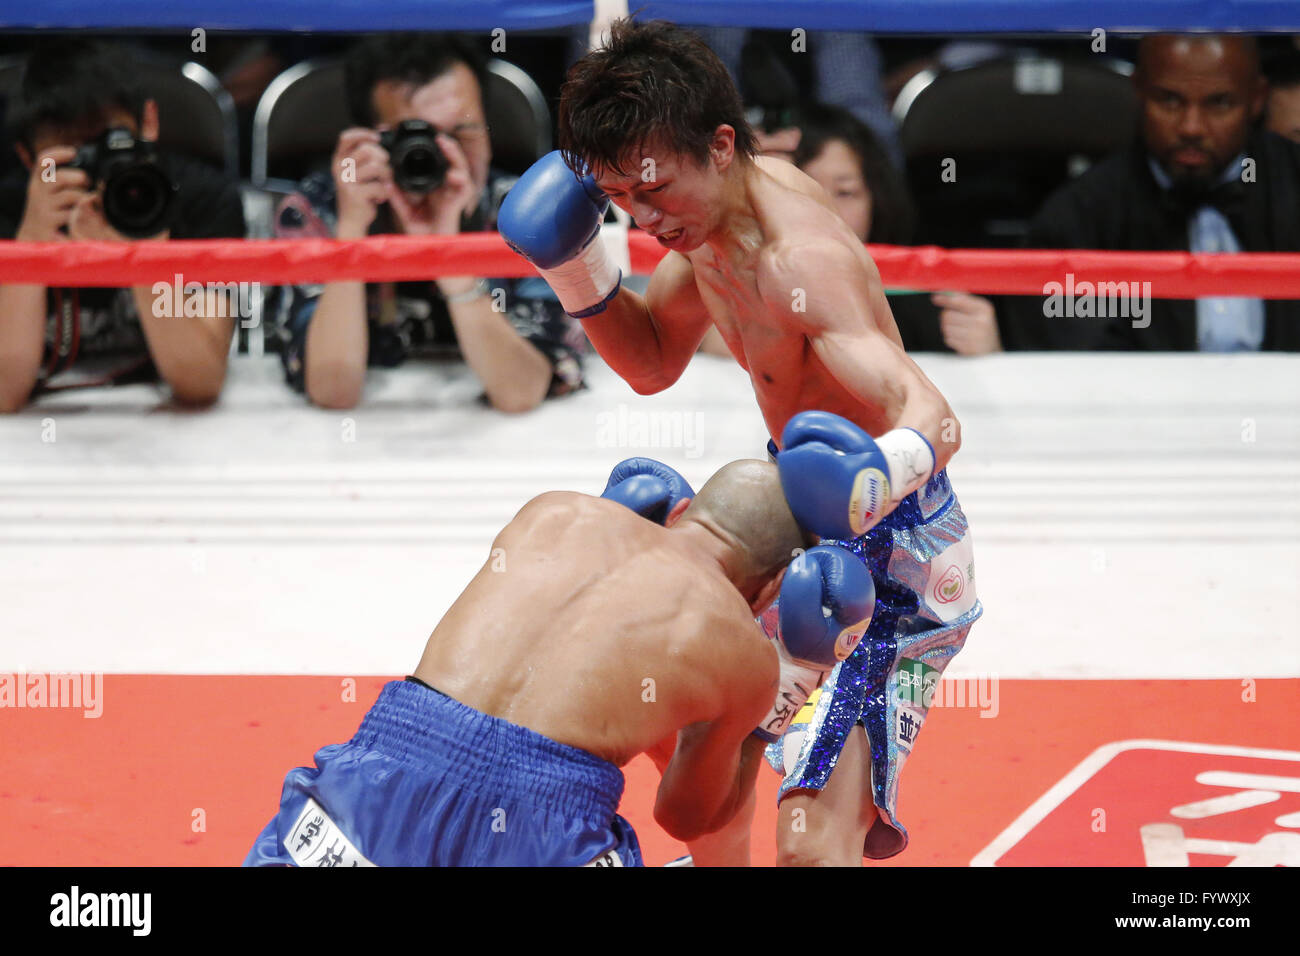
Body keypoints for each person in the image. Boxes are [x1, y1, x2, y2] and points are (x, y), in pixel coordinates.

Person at [501, 18, 982, 866]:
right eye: (622, 201)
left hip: (900, 548)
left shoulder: (798, 261)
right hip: (795, 515)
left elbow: (934, 416)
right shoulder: (710, 230)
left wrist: (876, 474)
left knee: (808, 842)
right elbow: (651, 363)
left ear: (721, 146)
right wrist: (573, 268)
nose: (644, 220)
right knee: (689, 723)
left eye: (655, 190)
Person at [245, 457, 876, 867]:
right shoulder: (739, 649)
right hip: (541, 824)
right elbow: (685, 814)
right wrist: (785, 687)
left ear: (681, 511)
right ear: (770, 591)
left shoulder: (552, 512)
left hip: (384, 772)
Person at [271, 33, 585, 411]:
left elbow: (522, 392)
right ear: (369, 139)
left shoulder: (530, 213)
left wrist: (448, 256)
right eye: (417, 138)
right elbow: (333, 391)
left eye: (461, 133)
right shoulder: (320, 209)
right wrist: (351, 232)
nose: (443, 154)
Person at [1001, 34, 1300, 351]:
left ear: (1257, 99)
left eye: (1219, 103)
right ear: (1139, 91)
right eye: (1170, 100)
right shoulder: (1081, 215)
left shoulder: (1292, 182)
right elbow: (1077, 370)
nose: (1192, 127)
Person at [0, 38, 246, 412]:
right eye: (75, 158)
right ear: (26, 157)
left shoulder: (202, 199)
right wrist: (32, 245)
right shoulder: (9, 211)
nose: (98, 173)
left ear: (148, 122)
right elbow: (4, 394)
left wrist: (144, 258)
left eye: (109, 148)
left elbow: (199, 382)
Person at [791, 101, 1003, 356]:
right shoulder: (737, 295)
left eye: (845, 192)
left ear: (876, 202)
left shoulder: (926, 307)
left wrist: (988, 355)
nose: (828, 210)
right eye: (803, 189)